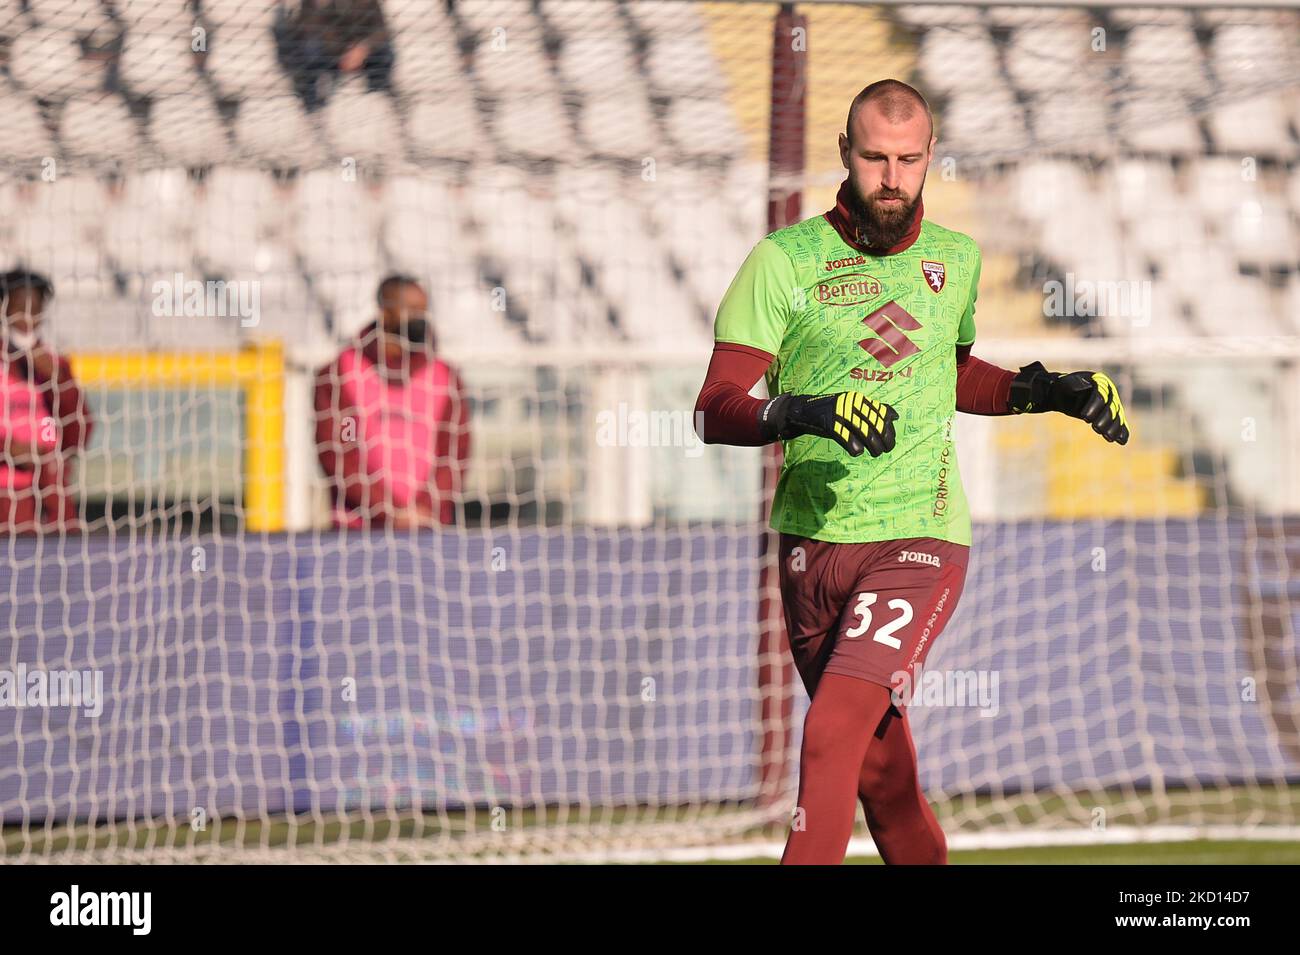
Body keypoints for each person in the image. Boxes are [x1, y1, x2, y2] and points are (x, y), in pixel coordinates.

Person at [694, 79, 1129, 865]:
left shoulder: (955, 260)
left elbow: (951, 373)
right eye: (874, 158)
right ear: (844, 155)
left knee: (828, 737)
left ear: (931, 158)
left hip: (921, 540)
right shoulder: (782, 262)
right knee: (882, 777)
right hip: (812, 543)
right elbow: (713, 408)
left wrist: (1045, 390)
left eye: (907, 159)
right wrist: (799, 411)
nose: (891, 178)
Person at [315, 274, 470, 529]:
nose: (419, 318)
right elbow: (340, 452)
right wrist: (388, 512)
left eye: (423, 310)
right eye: (410, 310)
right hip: (358, 531)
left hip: (427, 528)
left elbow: (454, 452)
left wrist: (423, 508)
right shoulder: (341, 373)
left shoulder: (445, 376)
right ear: (384, 313)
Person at [0, 269, 95, 533]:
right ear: (5, 309)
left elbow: (80, 432)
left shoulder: (57, 365)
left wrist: (60, 381)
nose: (27, 316)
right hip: (6, 497)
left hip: (52, 495)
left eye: (35, 307)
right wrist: (8, 448)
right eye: (19, 306)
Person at [273, 0, 394, 111]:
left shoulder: (367, 3)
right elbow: (312, 29)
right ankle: (311, 101)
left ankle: (378, 91)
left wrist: (362, 48)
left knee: (385, 51)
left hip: (358, 47)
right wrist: (342, 53)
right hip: (331, 51)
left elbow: (382, 30)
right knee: (310, 49)